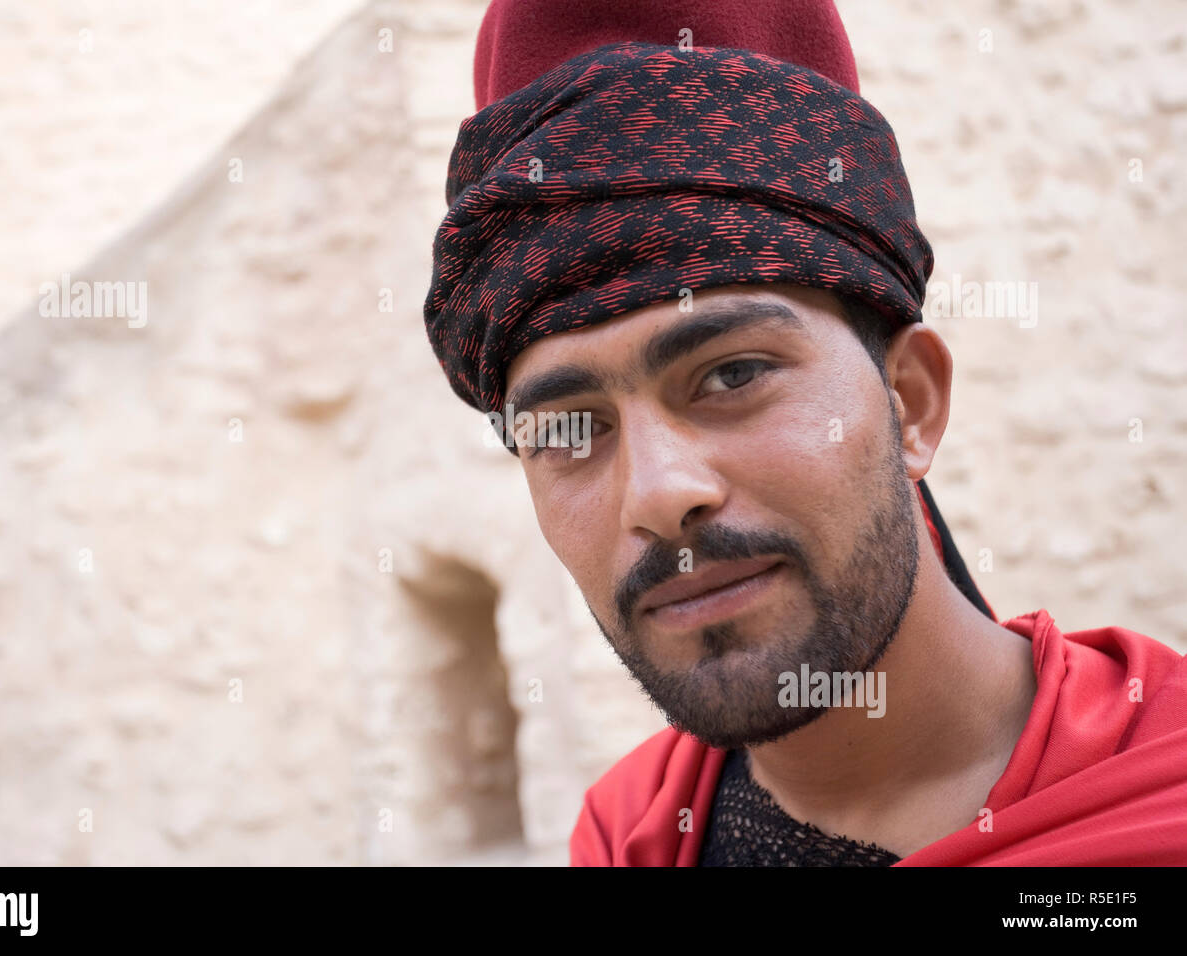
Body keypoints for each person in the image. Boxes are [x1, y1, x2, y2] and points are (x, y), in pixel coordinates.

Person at [422, 0, 1187, 866]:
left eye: (732, 375)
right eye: (568, 430)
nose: (661, 493)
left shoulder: (1160, 810)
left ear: (911, 400)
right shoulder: (629, 832)